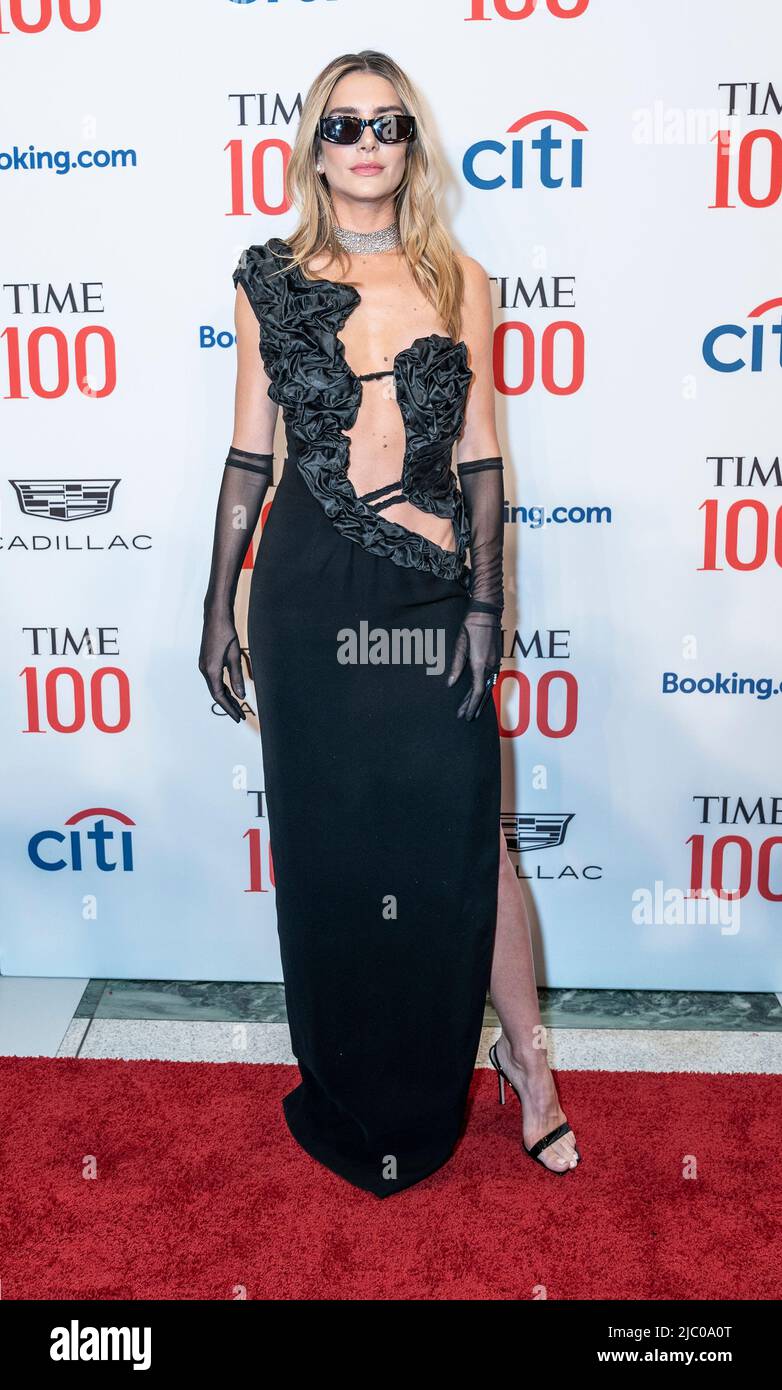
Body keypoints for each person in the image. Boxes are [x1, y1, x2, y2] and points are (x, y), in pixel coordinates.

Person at [199, 50, 580, 1196]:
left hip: (428, 596)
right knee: (331, 848)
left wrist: (484, 606)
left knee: (471, 842)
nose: (368, 143)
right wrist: (215, 603)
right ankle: (358, 1082)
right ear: (313, 145)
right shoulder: (266, 281)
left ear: (412, 144)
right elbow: (245, 459)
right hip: (309, 594)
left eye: (391, 124)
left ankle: (527, 1058)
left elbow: (482, 461)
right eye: (346, 124)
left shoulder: (458, 276)